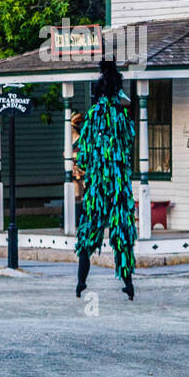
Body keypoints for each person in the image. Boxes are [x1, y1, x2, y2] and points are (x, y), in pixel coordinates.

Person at [74, 59, 136, 301]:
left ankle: (81, 282)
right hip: (119, 184)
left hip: (98, 186)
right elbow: (128, 143)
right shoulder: (120, 117)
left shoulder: (92, 117)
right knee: (122, 233)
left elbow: (85, 154)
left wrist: (89, 167)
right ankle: (129, 285)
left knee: (89, 231)